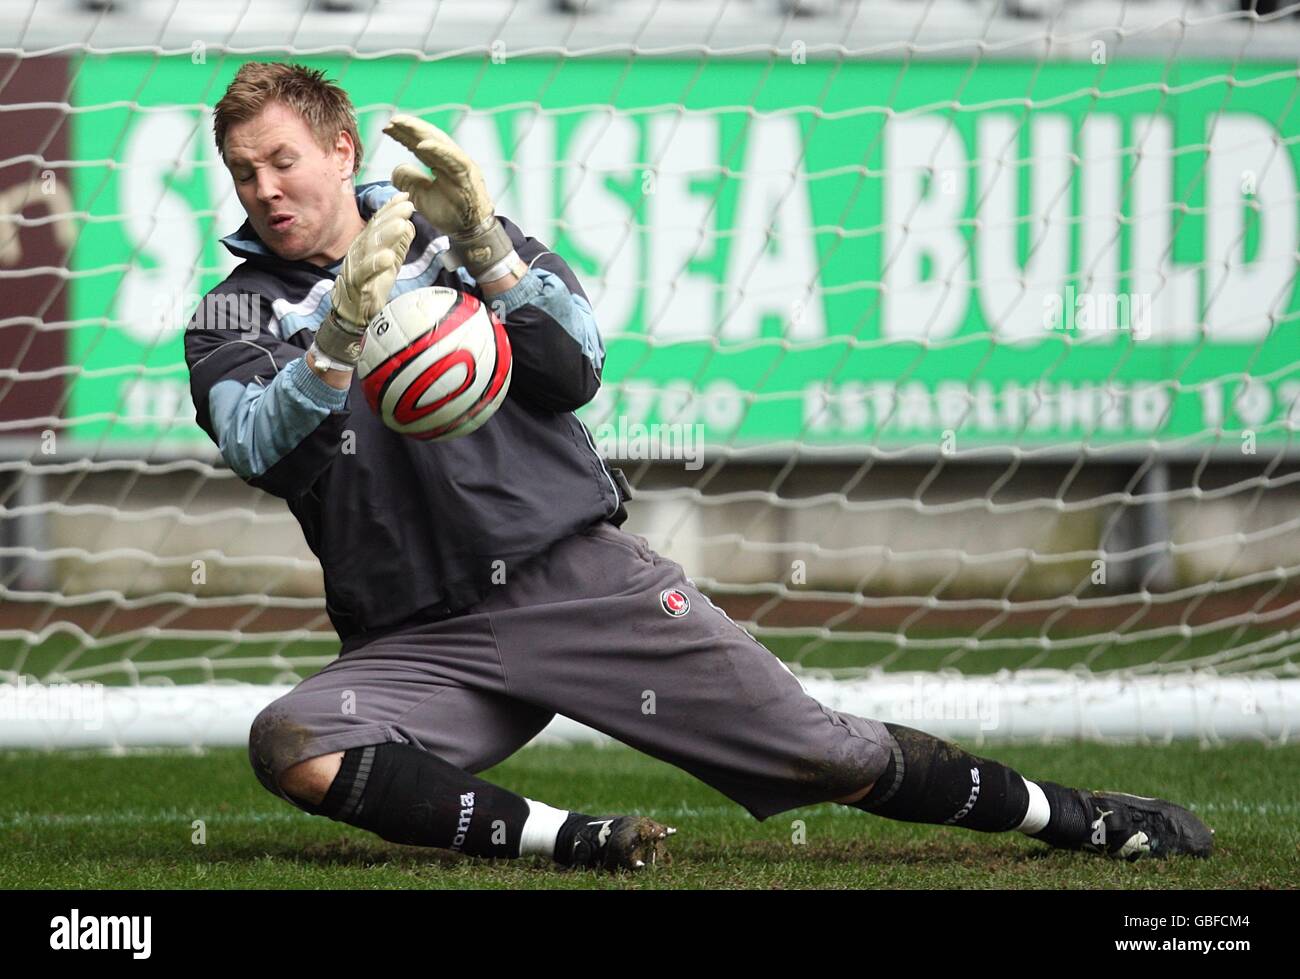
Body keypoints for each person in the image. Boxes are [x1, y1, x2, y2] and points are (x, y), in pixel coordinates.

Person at [184, 61, 1214, 871]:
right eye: (243, 170)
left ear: (339, 146)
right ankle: (574, 843)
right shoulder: (232, 313)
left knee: (829, 754)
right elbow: (260, 447)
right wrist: (339, 334)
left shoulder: (456, 242)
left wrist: (490, 244)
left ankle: (1076, 819)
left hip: (576, 585)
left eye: (282, 159)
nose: (265, 188)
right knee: (294, 741)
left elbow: (575, 367)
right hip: (420, 633)